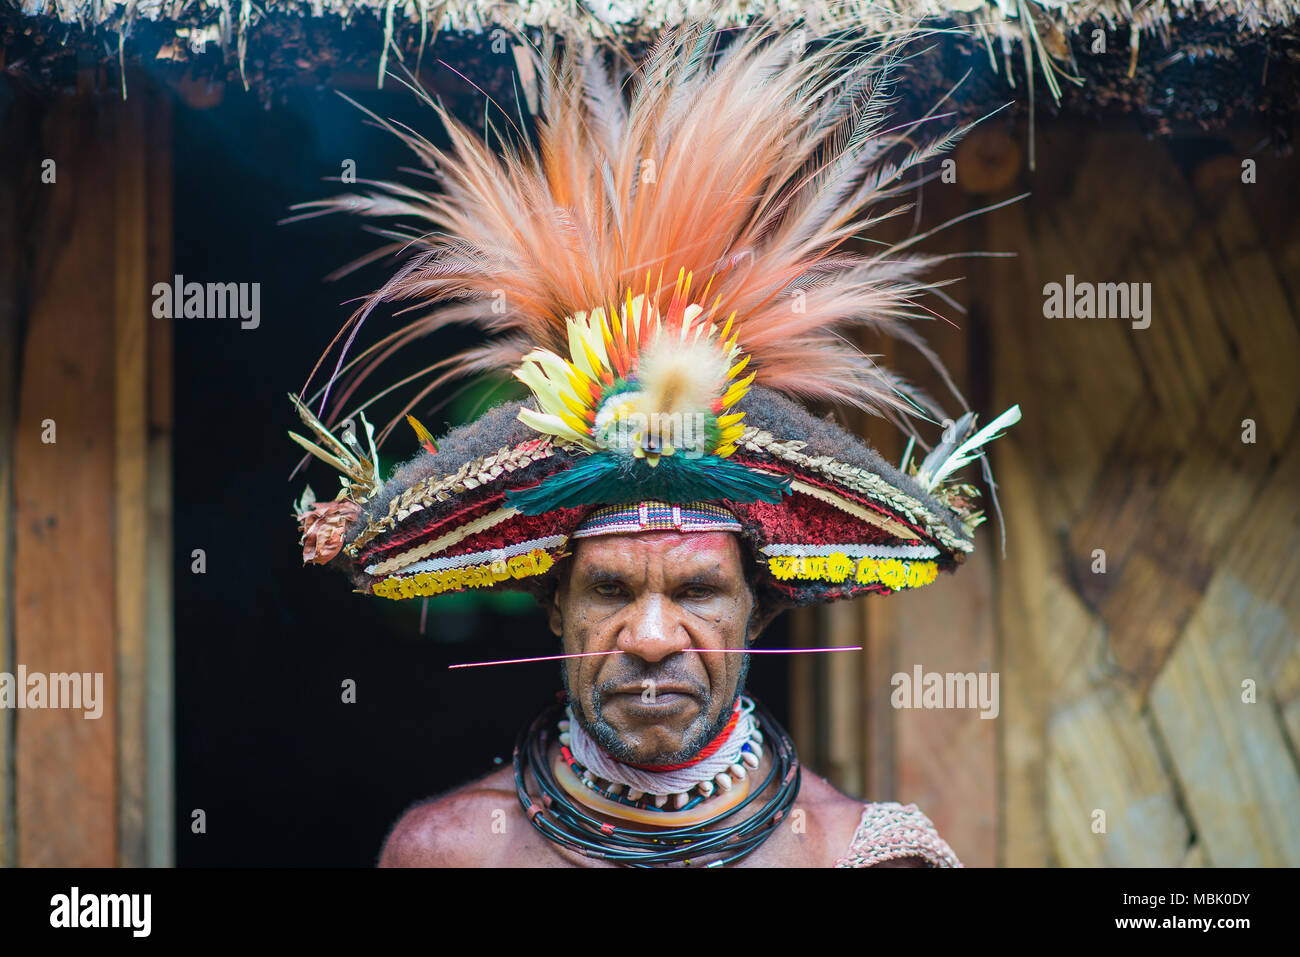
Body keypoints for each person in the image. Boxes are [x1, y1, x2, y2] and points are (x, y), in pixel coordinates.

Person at [289, 20, 1016, 867]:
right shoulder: (448, 853)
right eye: (608, 587)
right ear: (555, 602)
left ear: (761, 603)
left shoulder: (867, 857)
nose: (652, 636)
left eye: (700, 589)